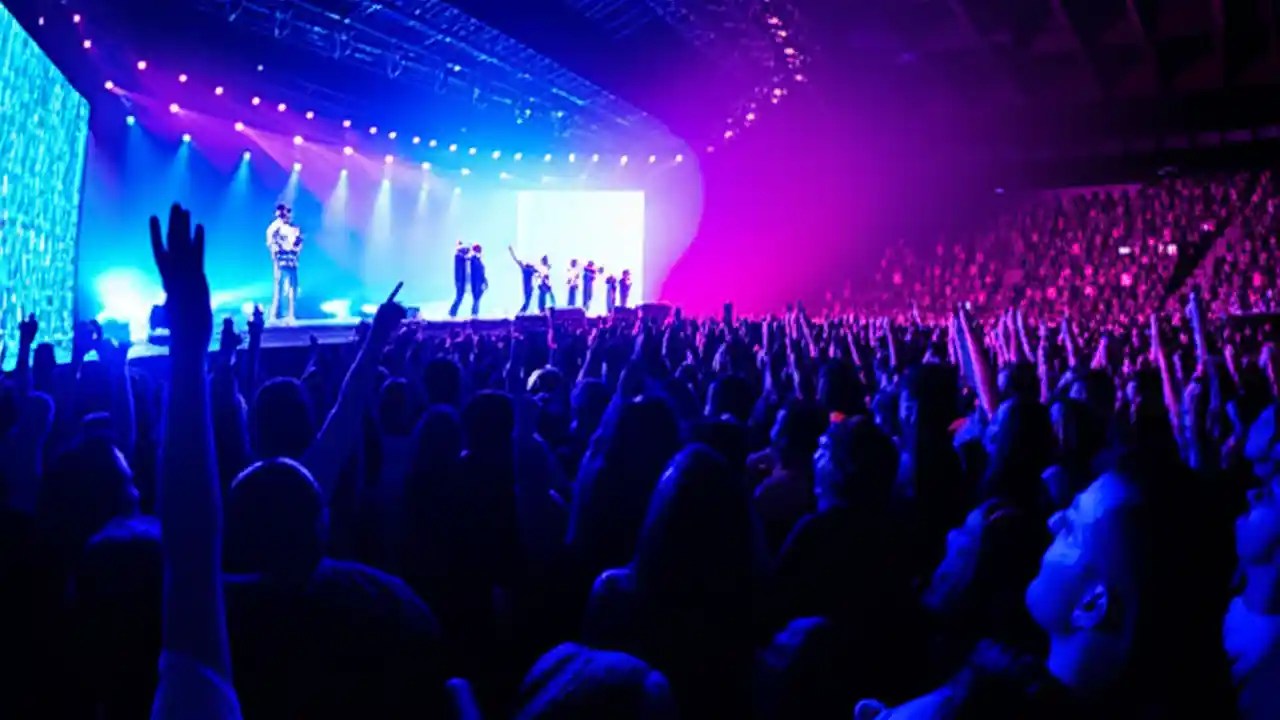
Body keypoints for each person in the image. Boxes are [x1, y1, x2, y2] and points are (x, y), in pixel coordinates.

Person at [266, 204, 303, 324]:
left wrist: (297, 242)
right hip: (281, 262)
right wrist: (277, 256)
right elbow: (272, 244)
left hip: (292, 262)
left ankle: (291, 314)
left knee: (292, 288)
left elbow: (297, 245)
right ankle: (276, 315)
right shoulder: (274, 227)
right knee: (279, 289)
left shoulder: (293, 228)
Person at [509, 246, 538, 314]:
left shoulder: (527, 270)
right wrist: (512, 251)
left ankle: (524, 311)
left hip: (529, 287)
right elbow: (516, 260)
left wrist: (511, 252)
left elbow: (516, 260)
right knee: (528, 301)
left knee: (528, 301)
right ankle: (522, 312)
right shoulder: (527, 270)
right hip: (528, 287)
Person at [448, 240, 469, 319]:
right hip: (460, 280)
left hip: (461, 280)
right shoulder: (458, 256)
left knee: (460, 296)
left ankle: (452, 312)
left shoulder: (459, 256)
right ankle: (452, 312)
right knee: (459, 296)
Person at [468, 244, 487, 318]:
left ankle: (475, 313)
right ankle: (474, 314)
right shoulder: (473, 259)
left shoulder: (477, 259)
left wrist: (484, 280)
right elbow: (476, 271)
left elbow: (481, 271)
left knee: (477, 298)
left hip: (479, 281)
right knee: (476, 297)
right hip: (476, 281)